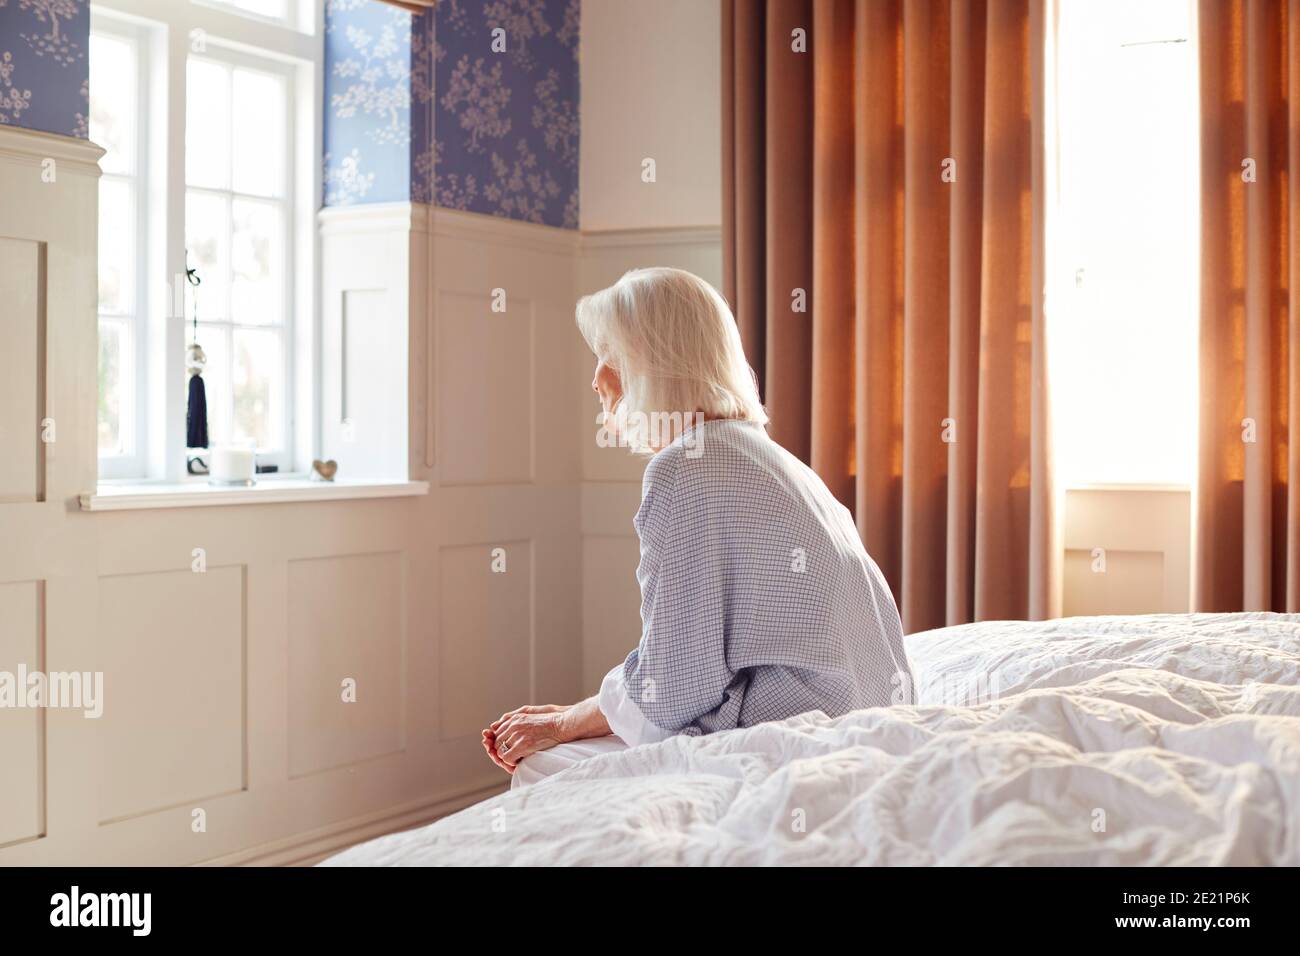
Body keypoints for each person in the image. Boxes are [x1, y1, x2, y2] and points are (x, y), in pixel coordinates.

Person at [482, 267, 913, 782]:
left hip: (801, 736)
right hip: (864, 717)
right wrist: (583, 713)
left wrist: (568, 722)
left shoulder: (684, 468)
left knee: (541, 766)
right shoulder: (766, 455)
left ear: (653, 364)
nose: (597, 378)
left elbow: (676, 682)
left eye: (610, 357)